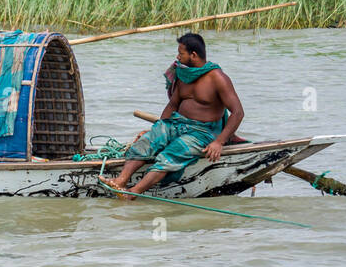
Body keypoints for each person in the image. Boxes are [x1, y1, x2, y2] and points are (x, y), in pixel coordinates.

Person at [100, 33, 244, 198]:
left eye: (181, 53)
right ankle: (121, 180)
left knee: (169, 156)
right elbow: (172, 105)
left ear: (194, 55)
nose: (177, 56)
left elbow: (238, 112)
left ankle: (133, 193)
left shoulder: (218, 78)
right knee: (145, 142)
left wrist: (219, 142)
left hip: (202, 133)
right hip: (176, 124)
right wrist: (157, 128)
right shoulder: (183, 75)